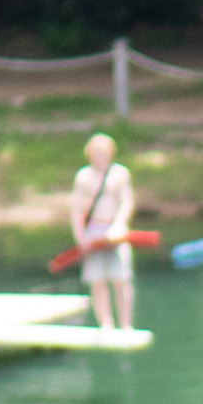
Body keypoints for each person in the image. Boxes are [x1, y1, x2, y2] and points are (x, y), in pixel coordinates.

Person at [70, 133, 137, 329]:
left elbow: (127, 202)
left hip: (115, 230)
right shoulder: (83, 176)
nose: (99, 156)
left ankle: (126, 324)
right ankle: (105, 322)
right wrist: (80, 237)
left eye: (103, 152)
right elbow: (75, 209)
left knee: (121, 278)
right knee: (97, 280)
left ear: (110, 153)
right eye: (95, 152)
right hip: (94, 229)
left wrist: (118, 225)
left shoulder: (120, 173)